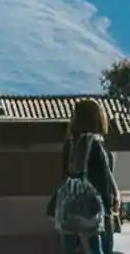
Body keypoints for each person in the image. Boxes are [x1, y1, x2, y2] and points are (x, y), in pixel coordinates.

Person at [48, 98, 119, 254]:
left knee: (69, 247)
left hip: (71, 207)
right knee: (100, 247)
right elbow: (103, 178)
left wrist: (53, 206)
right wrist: (109, 206)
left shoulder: (70, 144)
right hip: (94, 207)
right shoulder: (96, 144)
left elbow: (64, 177)